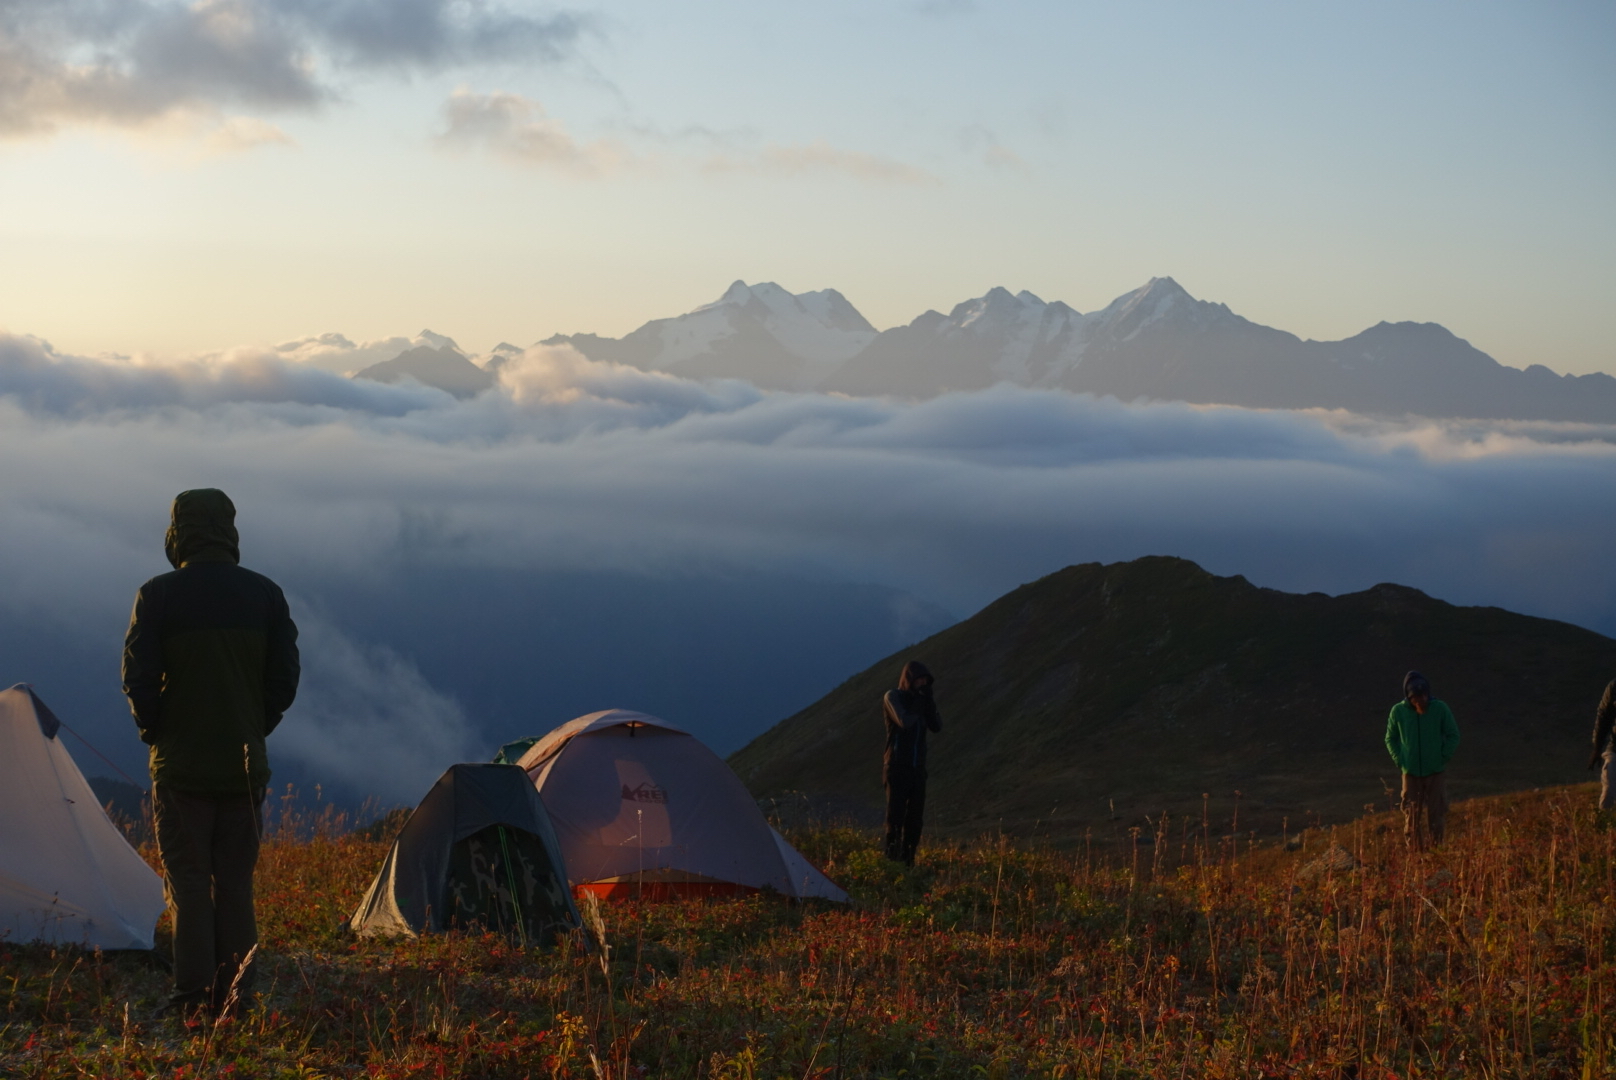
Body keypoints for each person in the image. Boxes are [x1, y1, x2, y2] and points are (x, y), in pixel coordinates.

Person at [122, 489, 299, 1019]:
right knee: (236, 884)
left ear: (178, 533)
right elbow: (284, 679)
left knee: (190, 884)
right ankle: (238, 996)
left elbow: (138, 678)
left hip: (181, 769)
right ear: (229, 530)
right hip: (244, 767)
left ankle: (193, 999)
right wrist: (253, 728)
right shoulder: (265, 595)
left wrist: (157, 732)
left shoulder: (157, 595)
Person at [1383, 670, 1459, 851]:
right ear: (1409, 697)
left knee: (1436, 814)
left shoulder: (1440, 708)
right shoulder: (1398, 711)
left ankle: (1437, 852)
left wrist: (1443, 757)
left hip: (1435, 772)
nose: (1421, 700)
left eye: (1423, 695)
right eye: (1416, 697)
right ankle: (1415, 855)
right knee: (1411, 816)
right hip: (1410, 773)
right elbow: (1390, 738)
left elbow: (1453, 735)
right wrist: (1400, 760)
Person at [882, 660, 942, 865]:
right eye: (919, 680)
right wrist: (919, 703)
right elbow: (904, 722)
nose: (923, 683)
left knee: (915, 820)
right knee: (895, 819)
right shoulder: (893, 697)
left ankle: (908, 863)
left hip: (917, 770)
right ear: (909, 679)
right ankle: (891, 862)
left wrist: (929, 703)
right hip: (896, 767)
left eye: (926, 680)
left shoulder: (923, 701)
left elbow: (937, 726)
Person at [1589, 679, 1616, 811]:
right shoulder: (1614, 687)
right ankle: (1604, 820)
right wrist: (1597, 748)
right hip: (1615, 748)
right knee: (1609, 792)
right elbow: (1603, 717)